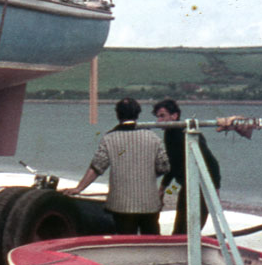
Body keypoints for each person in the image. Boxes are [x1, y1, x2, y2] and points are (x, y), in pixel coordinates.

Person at [62, 98, 170, 234]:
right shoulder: (153, 137)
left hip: (121, 205)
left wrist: (79, 188)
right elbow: (164, 167)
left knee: (125, 244)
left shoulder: (109, 138)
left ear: (118, 114)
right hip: (149, 203)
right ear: (137, 114)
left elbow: (96, 168)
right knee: (151, 243)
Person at [154, 99, 221, 235]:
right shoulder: (170, 133)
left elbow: (211, 162)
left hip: (201, 185)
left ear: (174, 116)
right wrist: (163, 188)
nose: (158, 120)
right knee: (181, 227)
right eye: (157, 116)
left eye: (162, 116)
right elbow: (173, 163)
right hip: (188, 184)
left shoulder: (182, 134)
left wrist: (216, 188)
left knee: (187, 229)